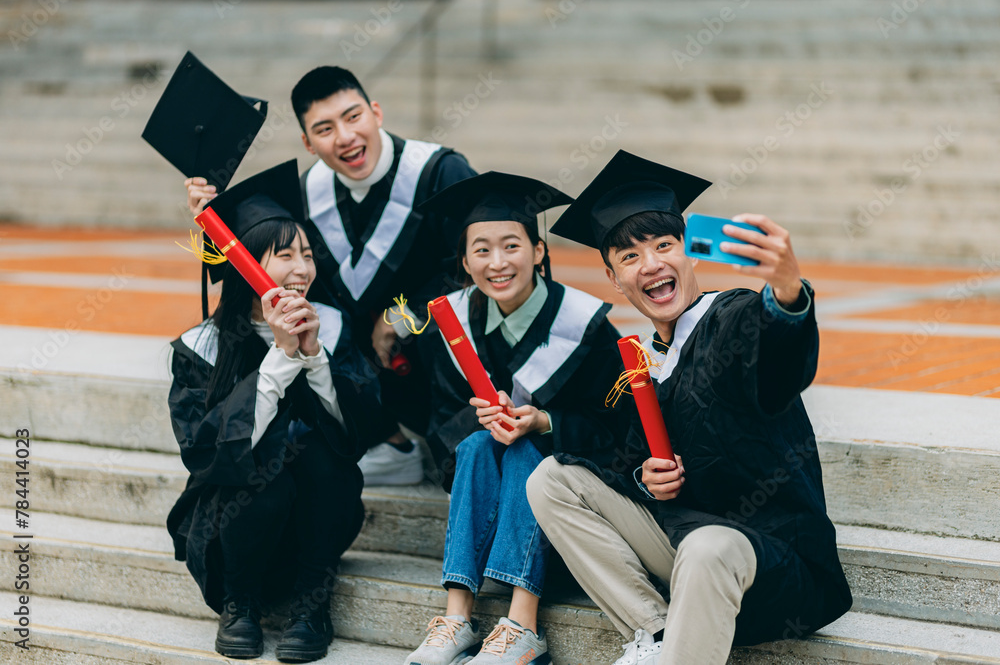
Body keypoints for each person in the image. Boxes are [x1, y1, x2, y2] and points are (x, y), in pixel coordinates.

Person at [526, 150, 852, 665]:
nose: (651, 264)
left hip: (769, 559)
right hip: (680, 543)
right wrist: (645, 477)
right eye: (629, 257)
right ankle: (655, 634)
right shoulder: (640, 365)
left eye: (663, 245)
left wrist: (787, 293)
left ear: (689, 253)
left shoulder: (732, 318)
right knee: (551, 479)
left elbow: (778, 363)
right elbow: (624, 458)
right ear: (614, 278)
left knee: (708, 546)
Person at [185, 66, 477, 486]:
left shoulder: (441, 173)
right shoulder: (310, 194)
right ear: (307, 142)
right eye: (324, 128)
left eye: (353, 117)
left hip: (434, 345)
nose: (344, 137)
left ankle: (453, 447)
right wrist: (210, 221)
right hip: (364, 366)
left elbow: (474, 267)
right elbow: (270, 264)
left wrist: (405, 315)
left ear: (376, 113)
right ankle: (383, 439)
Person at [400, 172, 631, 665]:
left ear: (539, 251)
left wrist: (543, 421)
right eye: (481, 250)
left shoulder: (585, 327)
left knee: (527, 448)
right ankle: (458, 616)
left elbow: (617, 428)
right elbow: (439, 418)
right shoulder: (449, 324)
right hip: (488, 507)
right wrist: (481, 422)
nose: (498, 263)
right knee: (477, 444)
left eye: (511, 246)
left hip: (563, 523)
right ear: (464, 262)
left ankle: (523, 623)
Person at [166, 161, 380, 662]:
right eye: (284, 255)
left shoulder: (333, 326)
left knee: (321, 453)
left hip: (315, 530)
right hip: (231, 533)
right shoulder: (201, 347)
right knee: (265, 461)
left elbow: (357, 434)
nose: (303, 269)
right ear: (245, 265)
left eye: (307, 254)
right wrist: (280, 360)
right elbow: (206, 453)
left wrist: (312, 357)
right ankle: (240, 604)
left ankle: (312, 604)